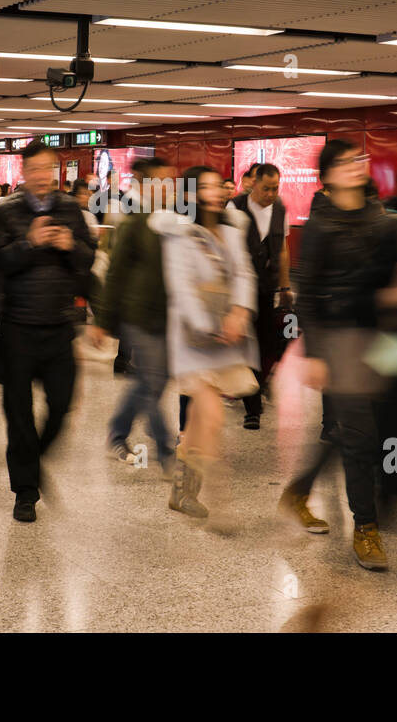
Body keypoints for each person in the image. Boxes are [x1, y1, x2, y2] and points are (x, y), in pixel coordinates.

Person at [290, 142, 397, 564]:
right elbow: (309, 292)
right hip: (338, 341)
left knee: (355, 430)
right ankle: (366, 529)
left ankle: (298, 490)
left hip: (379, 338)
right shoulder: (319, 225)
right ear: (328, 174)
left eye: (361, 159)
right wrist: (314, 352)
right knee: (358, 439)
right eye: (347, 162)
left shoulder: (378, 214)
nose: (358, 167)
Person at [0, 140, 96, 524]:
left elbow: (89, 257)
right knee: (18, 415)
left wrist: (71, 247)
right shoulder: (4, 211)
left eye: (47, 169)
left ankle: (33, 460)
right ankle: (25, 492)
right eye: (33, 170)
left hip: (59, 325)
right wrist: (30, 243)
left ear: (55, 170)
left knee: (63, 406)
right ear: (22, 172)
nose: (41, 176)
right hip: (16, 327)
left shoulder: (70, 208)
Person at [153, 165, 256, 529]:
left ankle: (182, 491)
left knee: (199, 422)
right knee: (212, 417)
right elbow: (179, 287)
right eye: (207, 187)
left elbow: (244, 273)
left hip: (226, 338)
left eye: (219, 186)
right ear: (192, 194)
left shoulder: (233, 231)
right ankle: (221, 504)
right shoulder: (179, 234)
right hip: (193, 340)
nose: (217, 192)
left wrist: (241, 311)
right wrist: (211, 326)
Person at [89, 157, 177, 473]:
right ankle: (166, 450)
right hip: (138, 315)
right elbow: (114, 276)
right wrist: (102, 322)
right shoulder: (133, 224)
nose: (168, 188)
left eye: (170, 181)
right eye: (161, 181)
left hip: (166, 316)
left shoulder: (174, 221)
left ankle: (117, 432)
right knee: (152, 380)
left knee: (148, 381)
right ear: (144, 185)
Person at [228, 162, 292, 430]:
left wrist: (285, 287)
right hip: (241, 290)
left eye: (275, 188)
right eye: (266, 188)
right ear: (253, 182)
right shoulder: (236, 208)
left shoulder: (280, 208)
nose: (271, 194)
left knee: (269, 343)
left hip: (267, 288)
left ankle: (261, 384)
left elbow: (283, 249)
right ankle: (252, 409)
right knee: (247, 346)